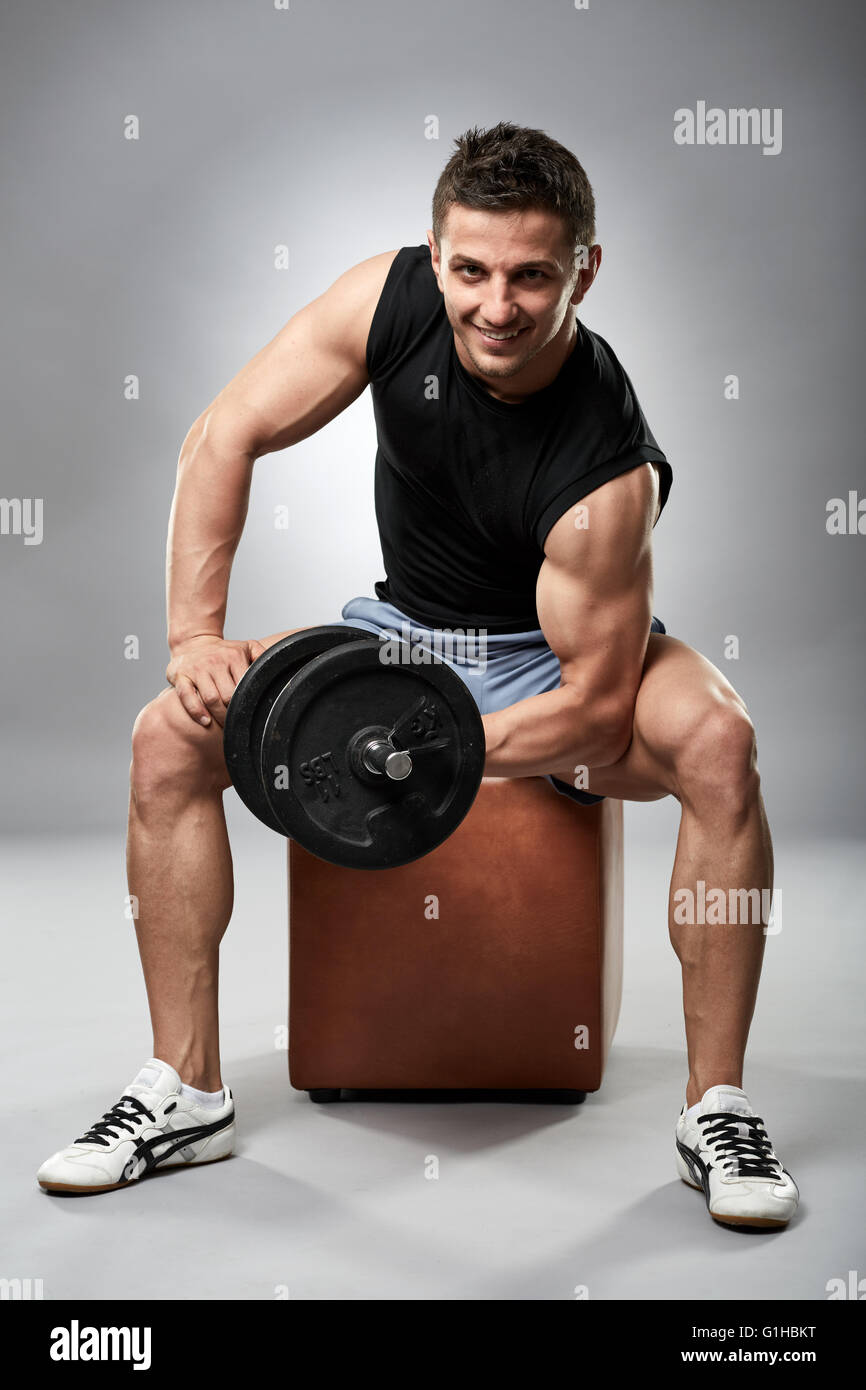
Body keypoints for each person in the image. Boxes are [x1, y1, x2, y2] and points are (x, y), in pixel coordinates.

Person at [37, 122, 797, 1231]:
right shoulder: (385, 302)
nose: (496, 306)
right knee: (167, 736)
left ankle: (714, 1107)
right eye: (471, 270)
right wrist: (194, 637)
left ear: (583, 268)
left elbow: (589, 706)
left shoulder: (604, 472)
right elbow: (223, 432)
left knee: (721, 746)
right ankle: (186, 1091)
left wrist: (396, 743)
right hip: (402, 635)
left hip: (563, 663)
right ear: (434, 254)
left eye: (532, 275)